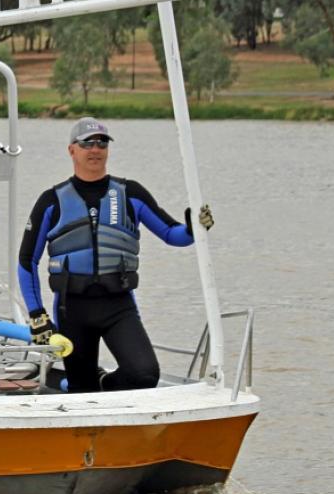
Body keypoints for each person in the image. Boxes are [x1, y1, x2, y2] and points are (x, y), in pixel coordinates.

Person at [17, 117, 213, 393]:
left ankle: (104, 382)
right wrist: (37, 315)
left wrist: (195, 228)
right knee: (80, 391)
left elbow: (173, 235)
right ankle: (80, 389)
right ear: (72, 150)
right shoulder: (51, 201)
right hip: (72, 308)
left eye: (102, 143)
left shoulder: (130, 193)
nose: (95, 149)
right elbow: (27, 261)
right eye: (87, 143)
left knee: (144, 374)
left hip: (118, 306)